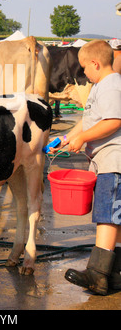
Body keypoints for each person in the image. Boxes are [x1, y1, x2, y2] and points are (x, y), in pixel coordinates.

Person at [51, 40, 121, 295]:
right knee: (115, 218)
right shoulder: (100, 86)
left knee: (106, 215)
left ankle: (98, 274)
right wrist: (68, 138)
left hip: (114, 161)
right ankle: (115, 274)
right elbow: (88, 120)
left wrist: (84, 138)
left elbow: (114, 121)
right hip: (104, 161)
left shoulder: (112, 85)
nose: (83, 74)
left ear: (95, 63)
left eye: (84, 68)